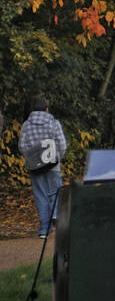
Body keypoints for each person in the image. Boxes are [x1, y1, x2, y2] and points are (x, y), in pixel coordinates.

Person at [19, 96, 66, 239]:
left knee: (40, 195)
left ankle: (44, 229)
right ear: (47, 108)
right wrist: (58, 157)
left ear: (34, 109)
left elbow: (22, 147)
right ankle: (57, 218)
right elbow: (62, 144)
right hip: (52, 164)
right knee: (56, 192)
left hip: (35, 166)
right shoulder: (54, 123)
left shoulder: (26, 125)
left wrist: (32, 157)